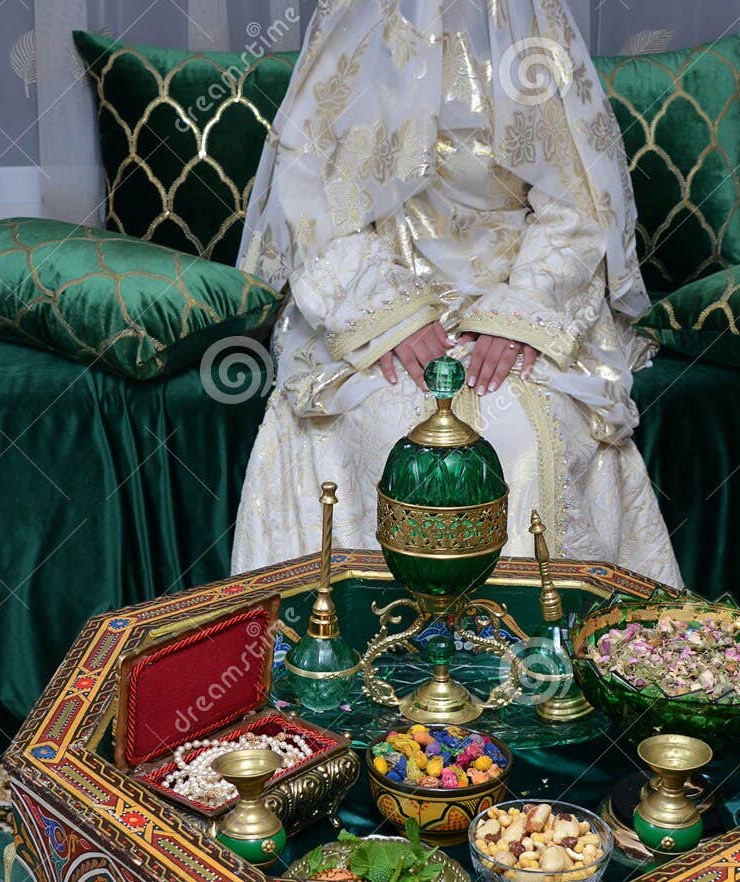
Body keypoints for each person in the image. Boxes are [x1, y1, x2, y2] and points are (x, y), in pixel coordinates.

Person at [230, 0, 679, 585]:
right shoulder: (355, 13)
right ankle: (372, 659)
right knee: (385, 429)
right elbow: (311, 199)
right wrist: (387, 314)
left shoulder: (532, 21)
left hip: (514, 302)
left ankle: (527, 658)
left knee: (521, 437)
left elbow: (578, 201)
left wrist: (520, 312)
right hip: (379, 305)